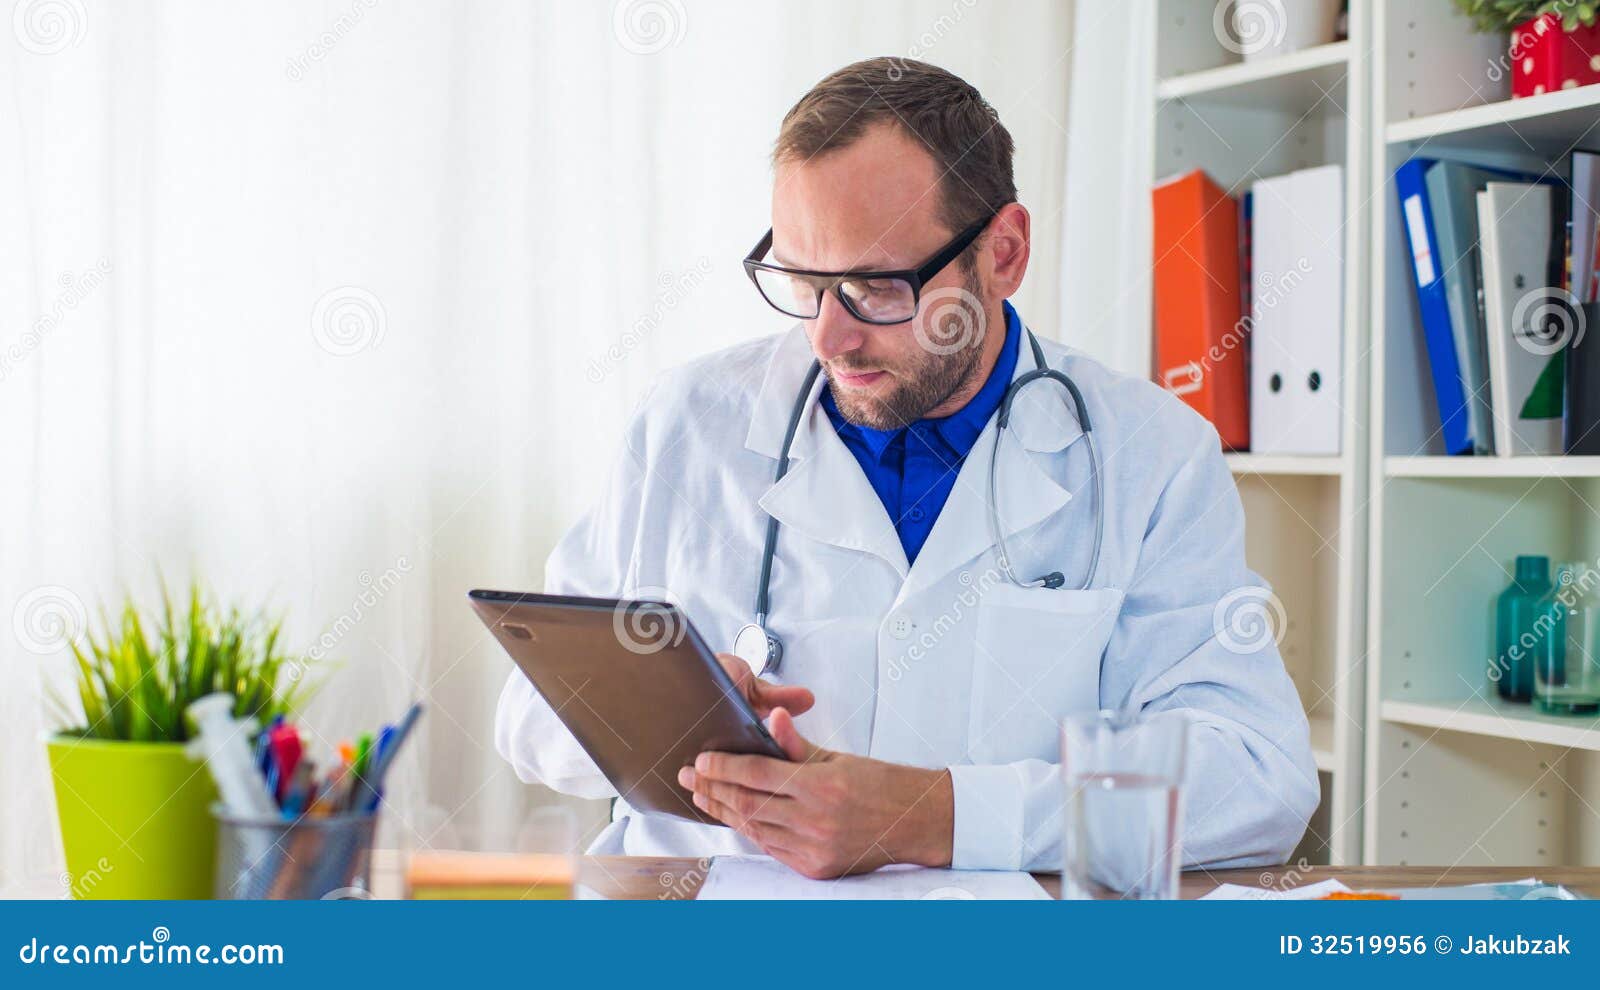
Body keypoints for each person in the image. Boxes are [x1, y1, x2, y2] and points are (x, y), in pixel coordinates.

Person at [496, 57, 1318, 880]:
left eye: (874, 287)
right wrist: (676, 710)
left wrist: (937, 817)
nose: (829, 338)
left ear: (1003, 252)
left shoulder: (1150, 453)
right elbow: (528, 713)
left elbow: (1256, 779)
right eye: (802, 280)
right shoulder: (685, 421)